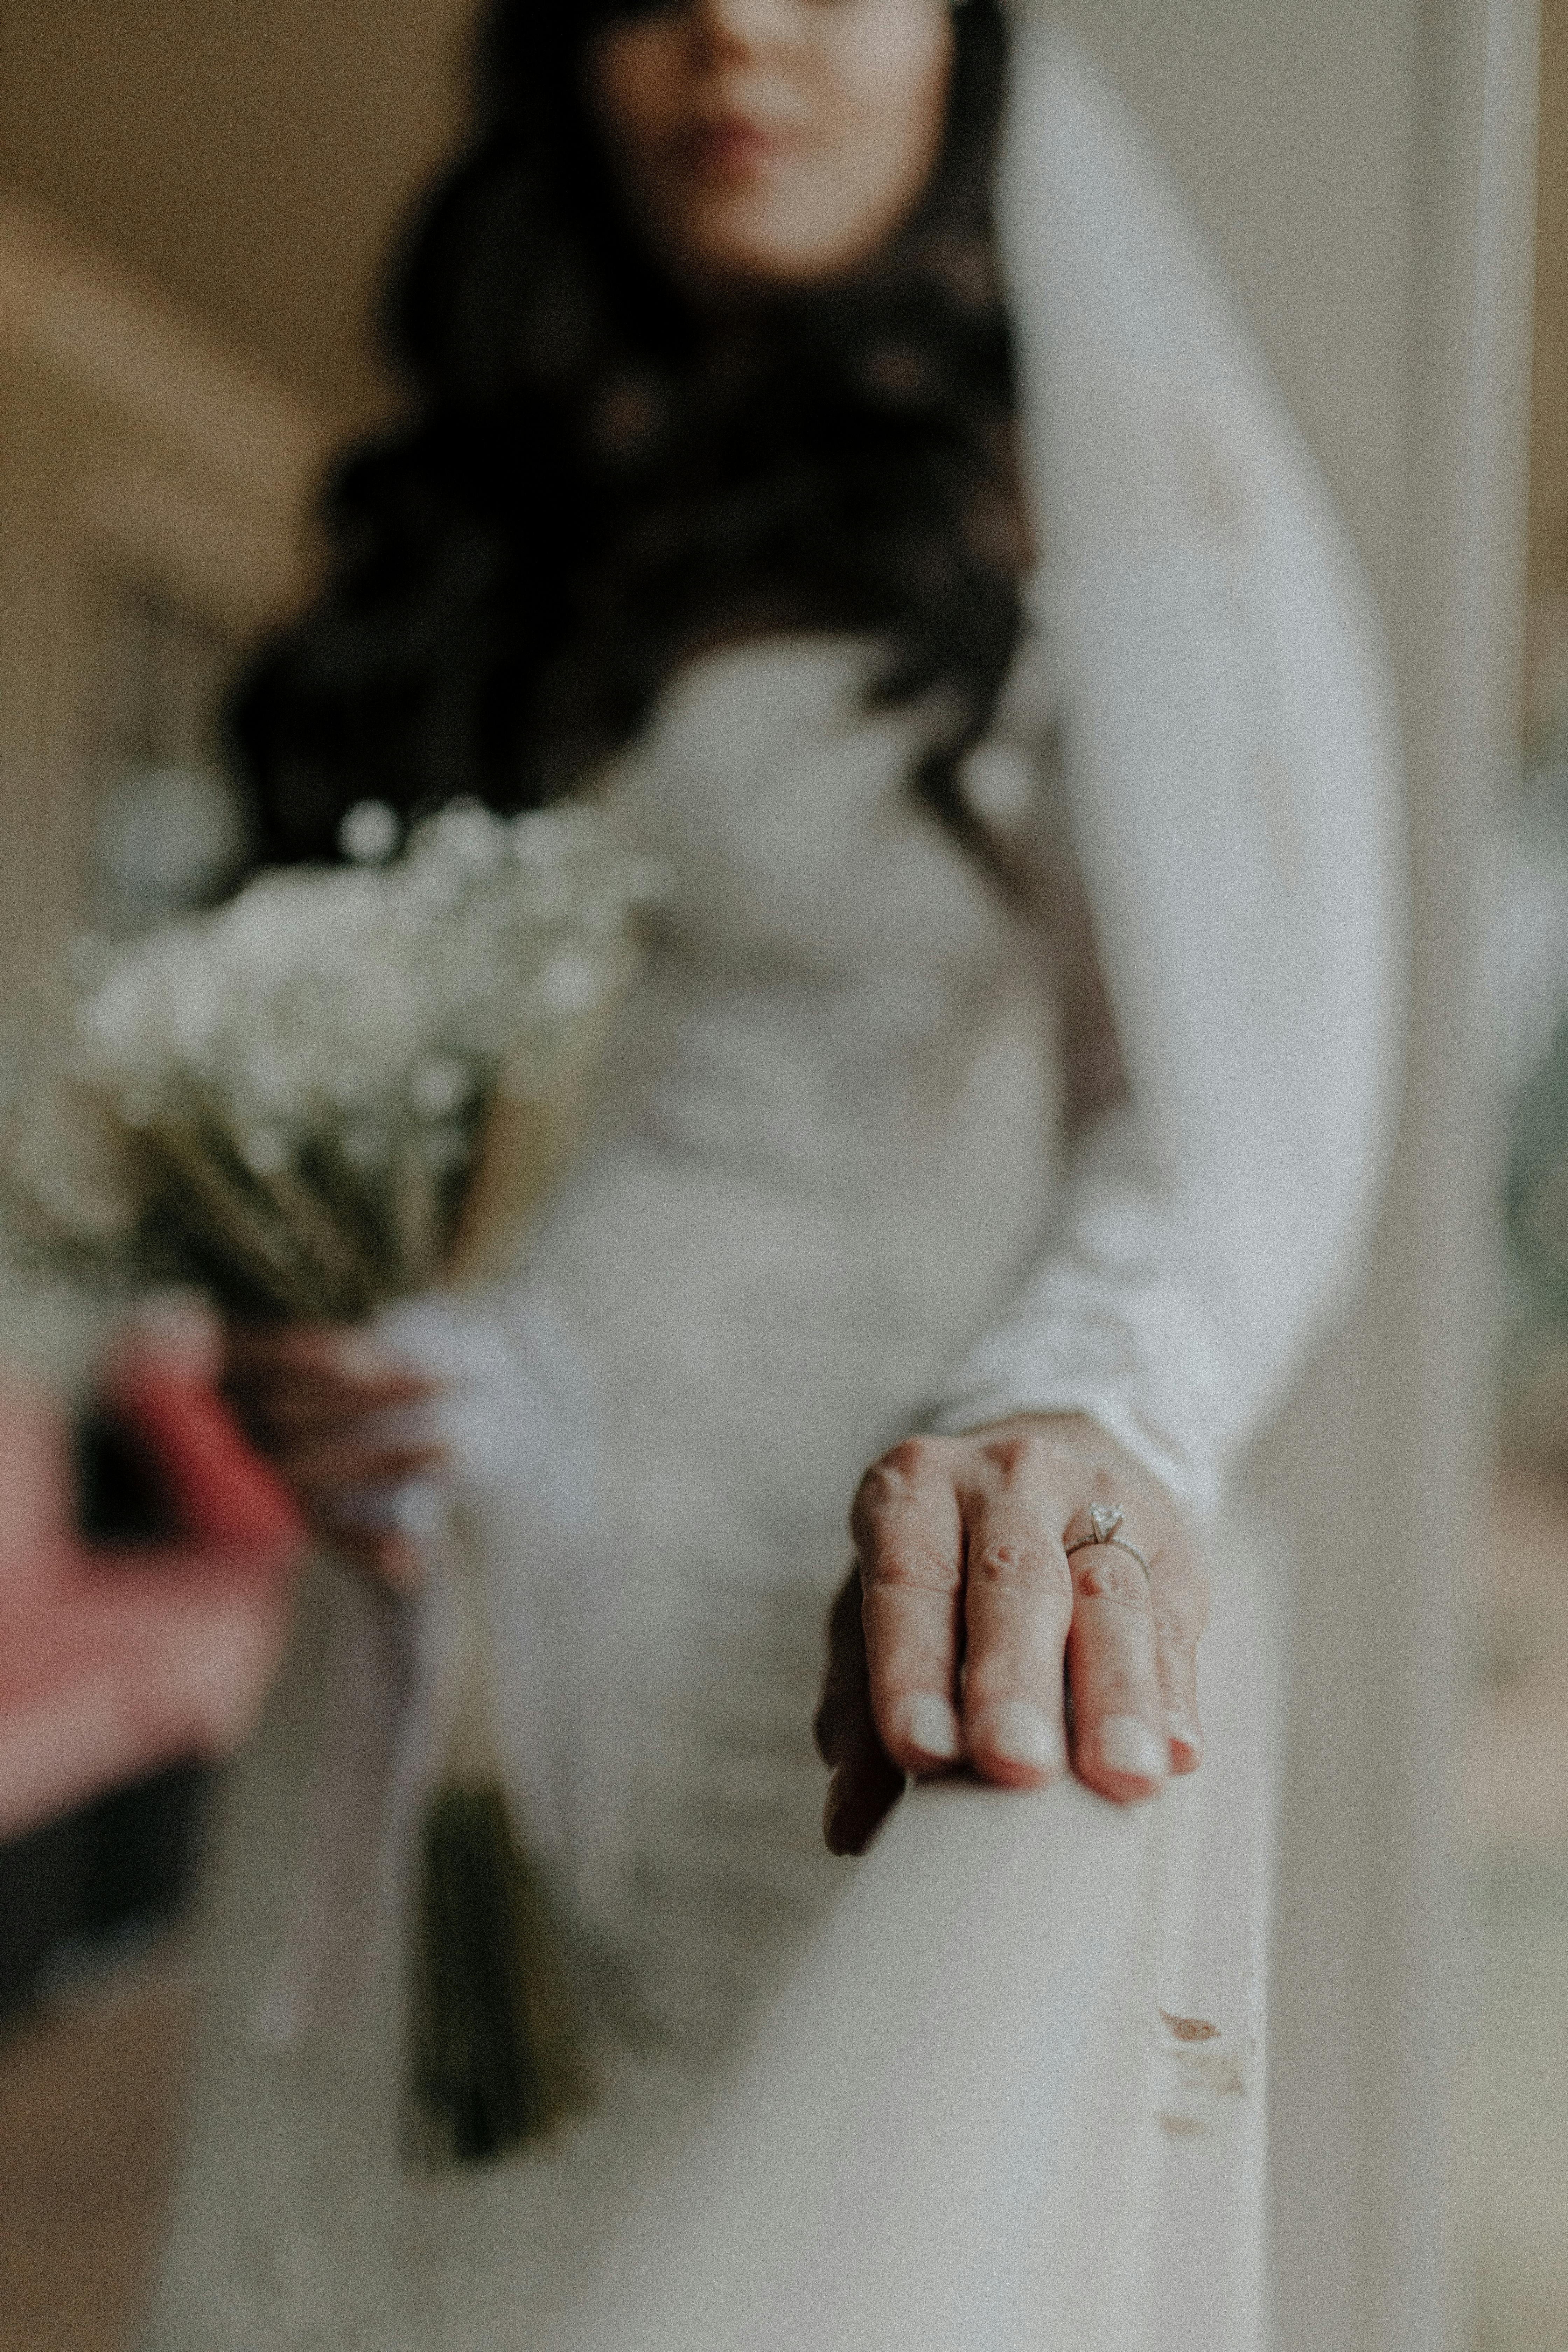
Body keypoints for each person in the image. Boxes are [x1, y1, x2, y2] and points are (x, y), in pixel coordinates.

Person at [141, 1, 1399, 2345]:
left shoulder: (1088, 498)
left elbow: (1226, 1097)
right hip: (424, 1659)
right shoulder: (488, 527)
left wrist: (1085, 1404)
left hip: (798, 1655)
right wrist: (300, 1325)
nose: (736, 20)